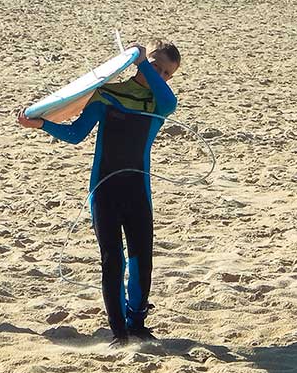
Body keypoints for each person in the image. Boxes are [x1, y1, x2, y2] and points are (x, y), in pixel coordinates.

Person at [17, 41, 180, 346]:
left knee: (141, 260)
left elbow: (170, 102)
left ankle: (137, 323)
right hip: (104, 189)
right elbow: (77, 134)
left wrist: (143, 62)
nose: (157, 73)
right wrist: (41, 124)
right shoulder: (108, 93)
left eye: (165, 72)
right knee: (113, 260)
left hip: (138, 191)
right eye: (155, 64)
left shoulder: (158, 104)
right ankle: (119, 331)